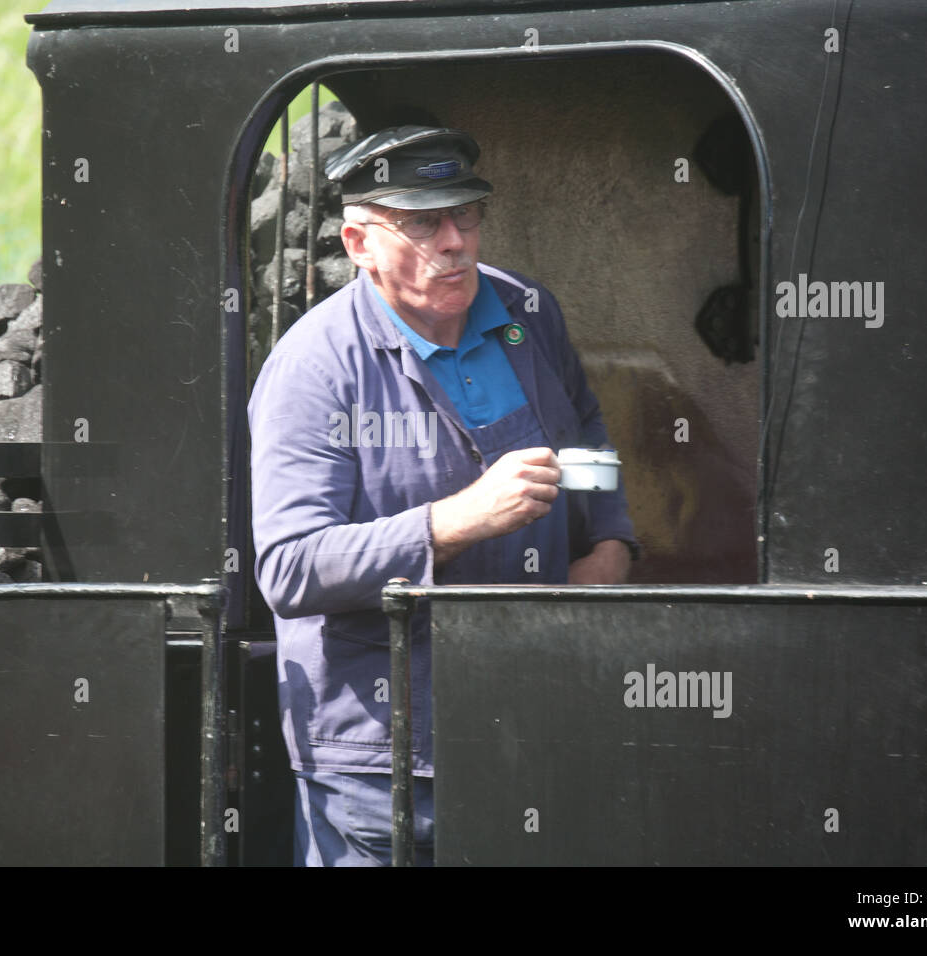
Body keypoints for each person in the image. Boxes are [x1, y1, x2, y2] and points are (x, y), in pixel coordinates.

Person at [248, 125, 638, 866]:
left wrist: (610, 541)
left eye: (467, 215)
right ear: (358, 243)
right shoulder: (315, 368)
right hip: (387, 764)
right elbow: (291, 567)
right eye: (424, 222)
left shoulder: (528, 312)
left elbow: (585, 429)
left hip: (535, 719)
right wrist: (452, 522)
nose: (455, 241)